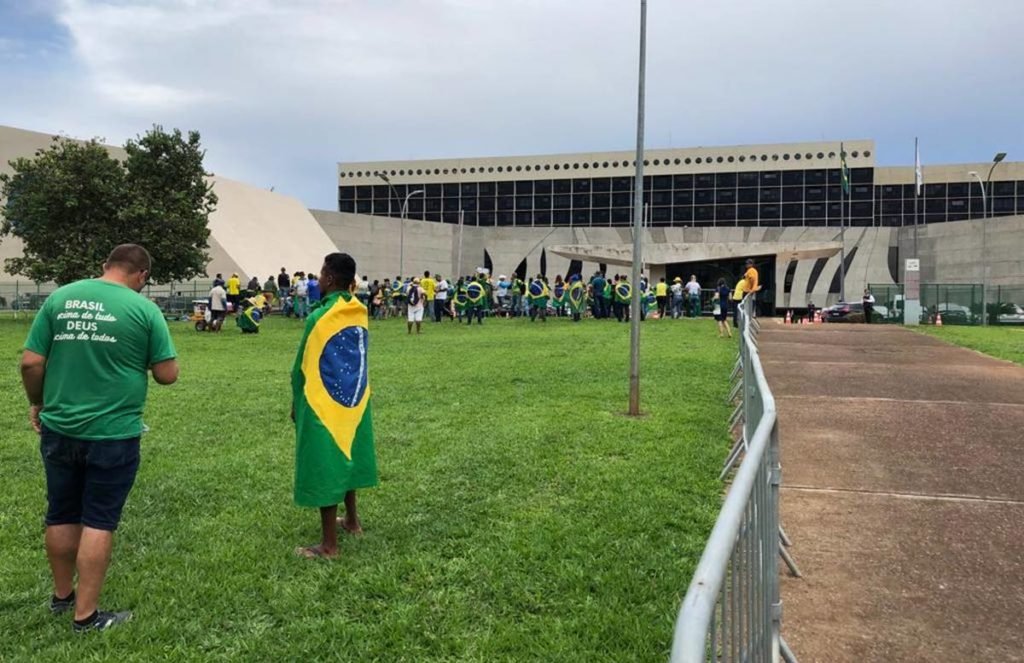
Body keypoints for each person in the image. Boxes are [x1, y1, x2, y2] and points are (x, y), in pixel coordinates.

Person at [20, 244, 178, 632]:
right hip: (113, 433)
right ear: (142, 276)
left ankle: (62, 597)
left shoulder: (60, 298)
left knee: (61, 512)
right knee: (99, 520)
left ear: (105, 265)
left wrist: (37, 402)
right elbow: (167, 374)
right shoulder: (144, 310)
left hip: (59, 427)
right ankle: (86, 616)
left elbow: (31, 362)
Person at [291, 252, 378, 559]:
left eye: (320, 275)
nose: (317, 280)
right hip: (355, 399)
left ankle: (328, 546)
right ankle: (352, 521)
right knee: (348, 452)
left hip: (323, 403)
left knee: (325, 463)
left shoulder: (319, 318)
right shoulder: (359, 311)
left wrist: (295, 400)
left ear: (328, 278)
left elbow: (303, 365)